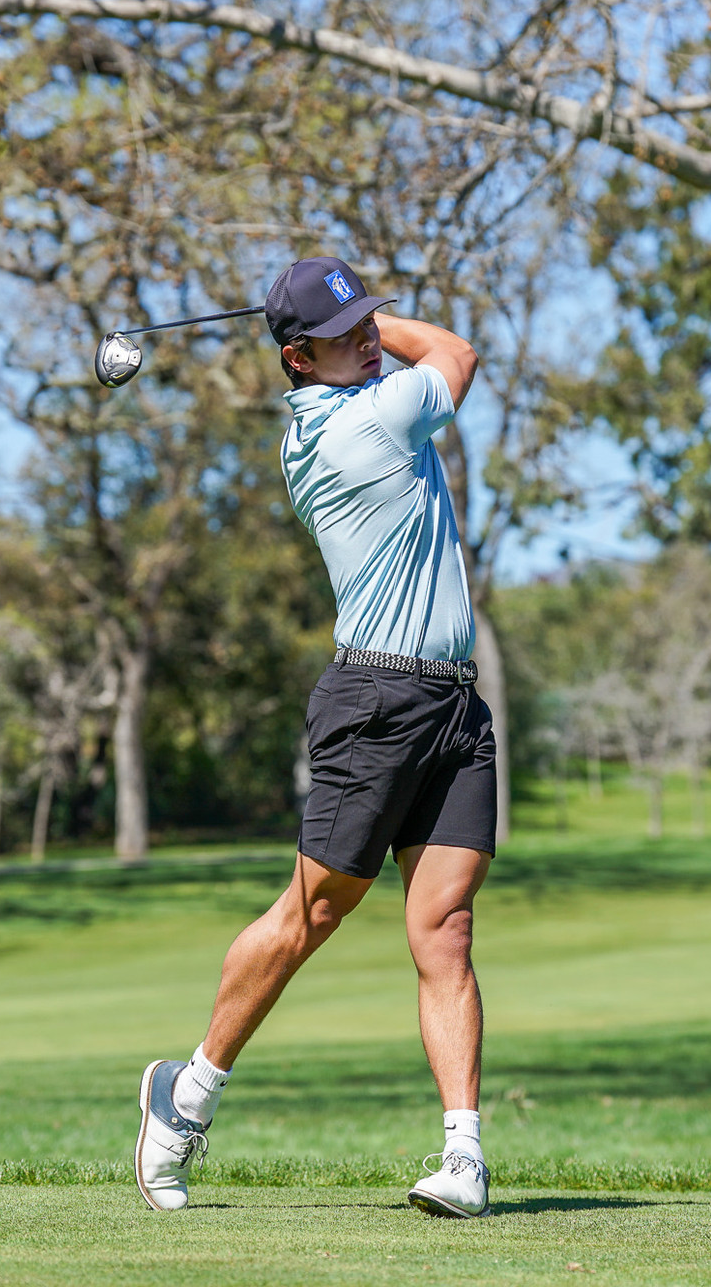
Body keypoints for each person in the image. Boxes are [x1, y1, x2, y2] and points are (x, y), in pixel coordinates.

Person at [133, 256, 497, 1219]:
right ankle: (187, 1093)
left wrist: (351, 316)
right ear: (297, 357)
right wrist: (388, 324)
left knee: (446, 928)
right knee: (314, 914)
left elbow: (408, 354)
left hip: (453, 706)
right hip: (376, 702)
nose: (373, 341)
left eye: (373, 325)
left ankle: (463, 1155)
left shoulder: (360, 401)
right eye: (348, 335)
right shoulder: (360, 424)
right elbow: (457, 352)